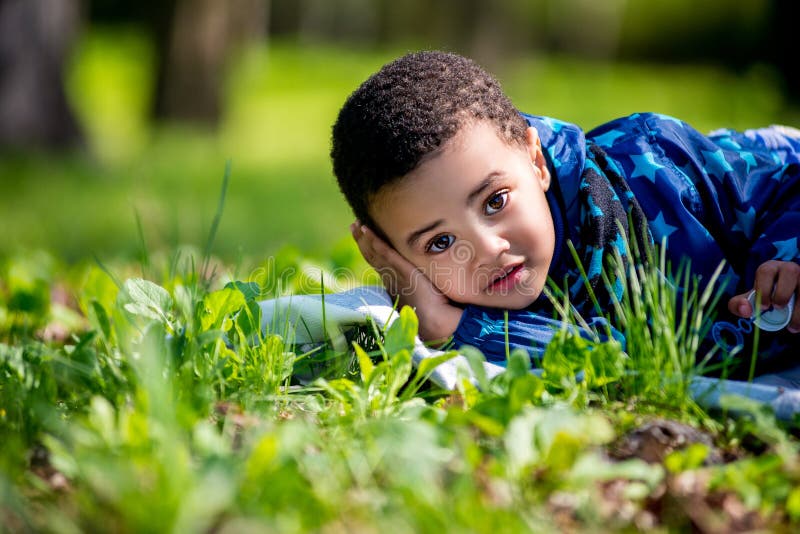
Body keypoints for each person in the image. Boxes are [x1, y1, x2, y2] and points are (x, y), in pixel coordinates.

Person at [330, 50, 800, 386]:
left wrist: (783, 257)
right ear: (391, 254)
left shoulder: (661, 166)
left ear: (535, 161)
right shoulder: (470, 303)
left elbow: (789, 182)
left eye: (495, 202)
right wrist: (446, 326)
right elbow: (601, 362)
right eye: (439, 243)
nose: (488, 248)